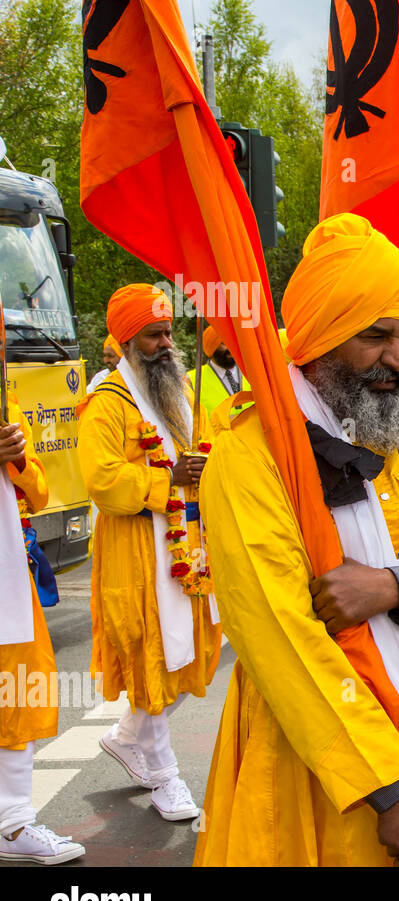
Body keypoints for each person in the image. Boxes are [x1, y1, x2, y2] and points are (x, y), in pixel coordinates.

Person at [194, 214, 399, 867]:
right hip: (327, 770)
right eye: (375, 337)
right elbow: (280, 638)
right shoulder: (250, 457)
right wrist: (389, 783)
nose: (397, 358)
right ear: (319, 340)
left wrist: (393, 588)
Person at [78, 285, 222, 823]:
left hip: (188, 544)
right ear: (126, 340)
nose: (165, 343)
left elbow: (203, 451)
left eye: (167, 333)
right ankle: (164, 778)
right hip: (136, 549)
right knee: (152, 656)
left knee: (193, 653)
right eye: (153, 335)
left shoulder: (177, 391)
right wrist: (168, 480)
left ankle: (125, 737)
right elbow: (101, 479)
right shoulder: (107, 402)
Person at [0, 401, 85, 864]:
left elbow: (39, 492)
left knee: (18, 685)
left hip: (7, 570)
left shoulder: (4, 407)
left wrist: (15, 461)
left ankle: (12, 824)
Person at [187, 326, 244, 417]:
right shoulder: (192, 380)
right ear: (211, 347)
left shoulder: (252, 372)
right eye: (224, 343)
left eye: (233, 341)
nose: (231, 348)